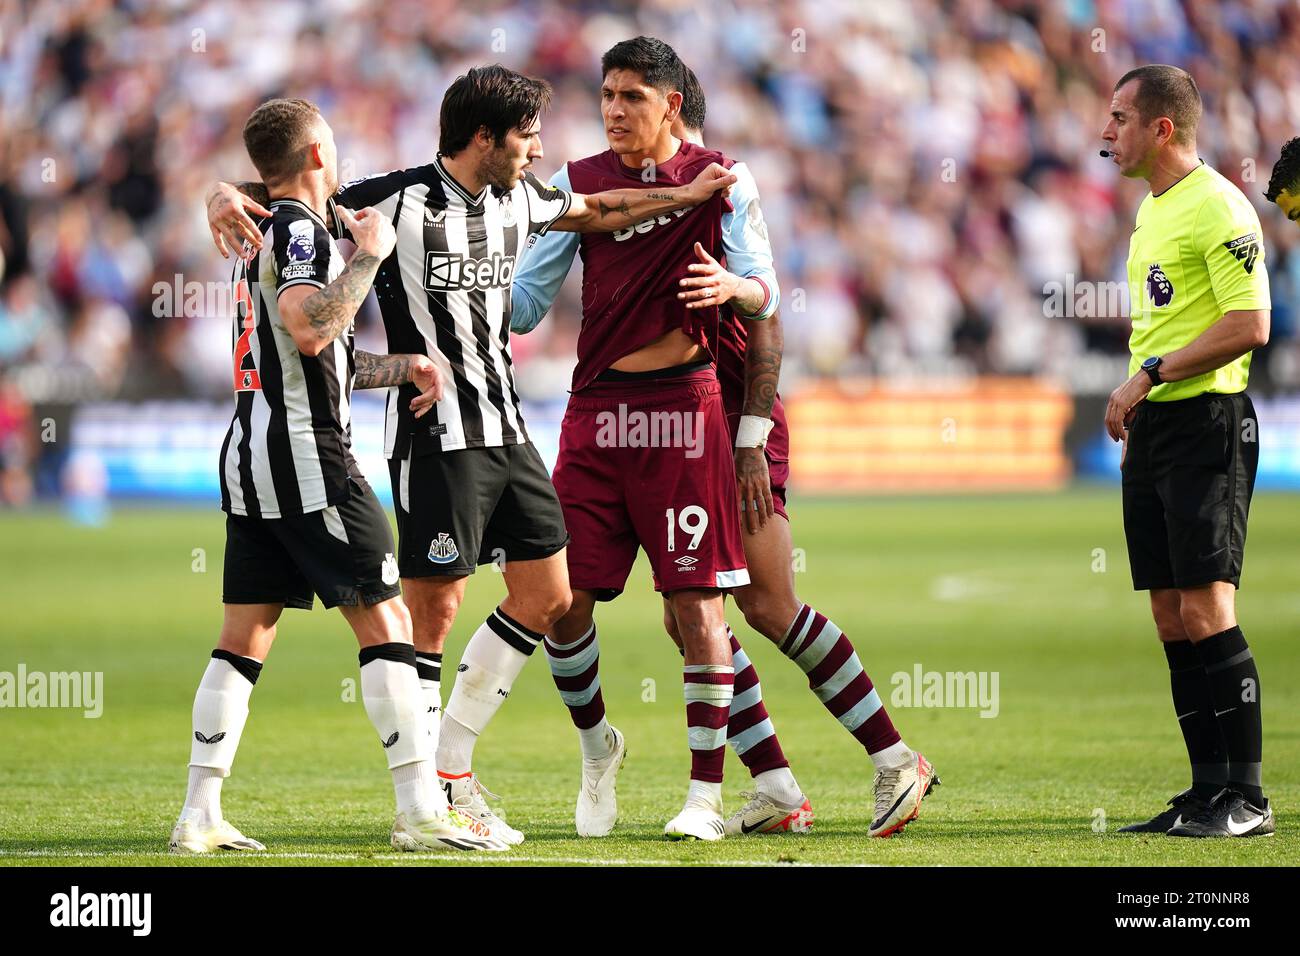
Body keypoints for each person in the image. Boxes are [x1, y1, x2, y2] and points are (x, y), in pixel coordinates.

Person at [204, 66, 736, 845]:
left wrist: (685, 197)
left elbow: (600, 209)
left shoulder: (522, 198)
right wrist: (219, 191)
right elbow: (290, 193)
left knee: (551, 595)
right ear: (483, 137)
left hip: (509, 427)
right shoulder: (389, 198)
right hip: (432, 433)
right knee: (433, 614)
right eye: (527, 136)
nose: (539, 150)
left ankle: (450, 761)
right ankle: (428, 796)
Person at [514, 57, 938, 840]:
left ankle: (894, 759)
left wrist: (748, 437)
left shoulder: (724, 187)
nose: (612, 113)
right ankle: (776, 783)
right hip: (674, 417)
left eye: (630, 99)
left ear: (675, 112)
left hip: (738, 419)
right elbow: (537, 290)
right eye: (605, 98)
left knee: (763, 604)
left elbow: (769, 316)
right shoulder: (630, 189)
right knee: (690, 618)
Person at [174, 97, 505, 855]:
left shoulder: (279, 227)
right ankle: (421, 811)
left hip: (255, 462)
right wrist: (374, 254)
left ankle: (198, 813)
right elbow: (310, 325)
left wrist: (405, 367)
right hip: (310, 463)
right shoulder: (297, 231)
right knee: (389, 625)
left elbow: (324, 356)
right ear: (317, 154)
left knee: (242, 639)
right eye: (333, 140)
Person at [1101, 65, 1273, 837]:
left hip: (1209, 421)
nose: (1107, 133)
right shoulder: (1152, 212)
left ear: (1160, 128)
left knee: (1208, 607)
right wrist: (1146, 391)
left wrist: (1147, 376)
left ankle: (1250, 800)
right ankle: (1206, 792)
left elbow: (1250, 323)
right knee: (1171, 614)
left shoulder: (1219, 206)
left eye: (1119, 118)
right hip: (1159, 428)